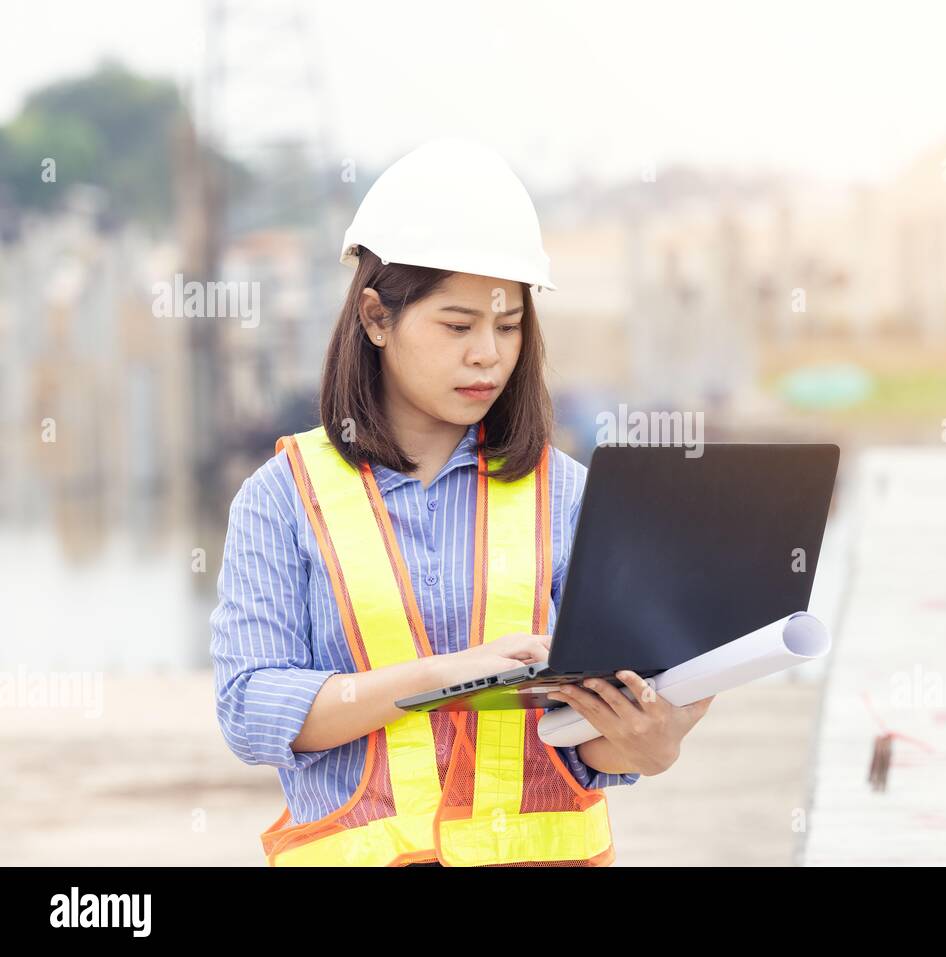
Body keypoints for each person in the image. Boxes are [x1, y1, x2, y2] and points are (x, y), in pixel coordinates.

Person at [210, 138, 713, 867]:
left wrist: (651, 737)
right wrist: (449, 674)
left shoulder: (566, 493)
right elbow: (251, 708)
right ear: (377, 318)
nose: (488, 354)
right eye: (457, 325)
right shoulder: (284, 499)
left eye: (508, 326)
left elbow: (592, 743)